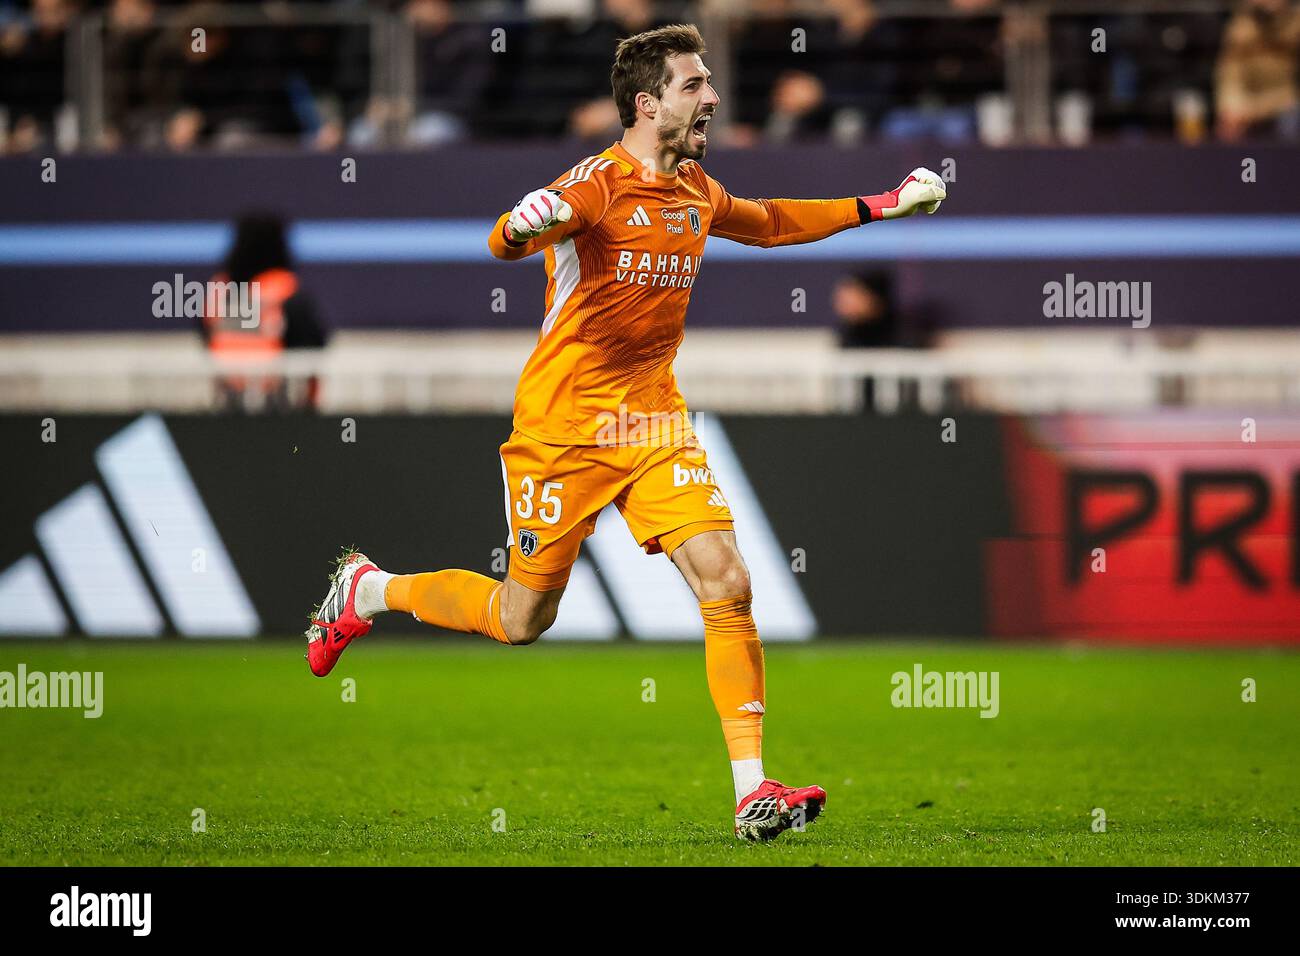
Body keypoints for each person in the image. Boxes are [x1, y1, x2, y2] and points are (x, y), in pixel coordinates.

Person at [303, 23, 946, 841]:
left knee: (727, 581)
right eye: (694, 84)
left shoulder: (698, 191)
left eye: (708, 82)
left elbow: (773, 221)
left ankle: (753, 791)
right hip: (562, 430)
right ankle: (369, 589)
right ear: (648, 103)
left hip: (652, 420)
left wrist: (881, 204)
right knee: (522, 620)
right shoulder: (597, 186)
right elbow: (507, 239)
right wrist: (520, 222)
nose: (711, 96)